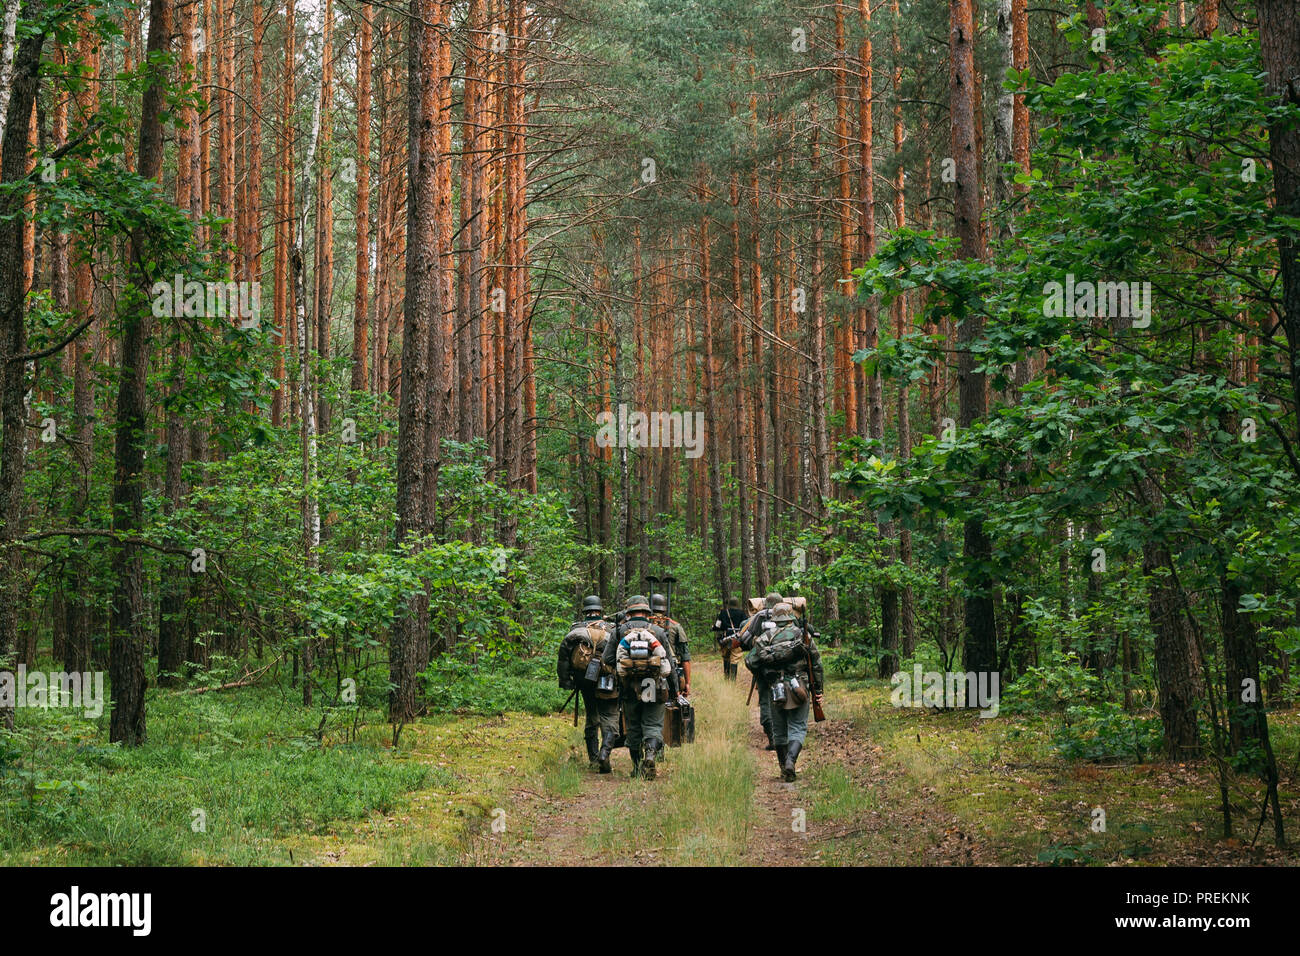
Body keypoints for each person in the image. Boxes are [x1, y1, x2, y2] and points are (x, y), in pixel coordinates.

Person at [745, 602, 823, 781]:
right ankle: (791, 762)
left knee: (779, 729)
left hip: (776, 688)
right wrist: (818, 689)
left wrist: (765, 676)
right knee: (798, 726)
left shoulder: (765, 637)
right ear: (790, 616)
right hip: (799, 686)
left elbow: (750, 662)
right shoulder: (802, 635)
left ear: (774, 618)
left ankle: (783, 768)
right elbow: (816, 664)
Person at [603, 594, 678, 779]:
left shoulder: (619, 631)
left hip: (629, 686)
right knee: (652, 724)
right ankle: (650, 756)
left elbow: (608, 659)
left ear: (628, 612)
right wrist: (675, 691)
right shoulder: (658, 632)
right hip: (652, 685)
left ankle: (636, 768)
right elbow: (669, 663)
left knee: (634, 727)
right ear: (647, 612)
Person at [557, 595, 621, 773]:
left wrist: (566, 681)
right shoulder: (612, 629)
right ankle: (605, 753)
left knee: (592, 716)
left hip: (584, 680)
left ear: (584, 611)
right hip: (608, 679)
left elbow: (563, 658)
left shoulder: (575, 629)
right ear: (601, 611)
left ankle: (593, 758)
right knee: (609, 716)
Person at [738, 592, 785, 750]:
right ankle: (786, 735)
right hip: (785, 666)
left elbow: (744, 639)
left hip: (763, 668)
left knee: (765, 700)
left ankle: (772, 737)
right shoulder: (789, 616)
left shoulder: (759, 617)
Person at [649, 593, 690, 696]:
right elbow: (685, 658)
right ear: (665, 609)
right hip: (671, 672)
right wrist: (688, 683)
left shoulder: (643, 626)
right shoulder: (676, 626)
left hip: (647, 670)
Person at [712, 597, 748, 681]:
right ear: (737, 604)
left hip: (725, 638)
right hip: (737, 639)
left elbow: (718, 626)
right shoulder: (742, 613)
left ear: (729, 604)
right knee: (735, 659)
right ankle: (732, 681)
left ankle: (726, 679)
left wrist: (713, 628)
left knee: (726, 657)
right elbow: (746, 625)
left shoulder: (723, 613)